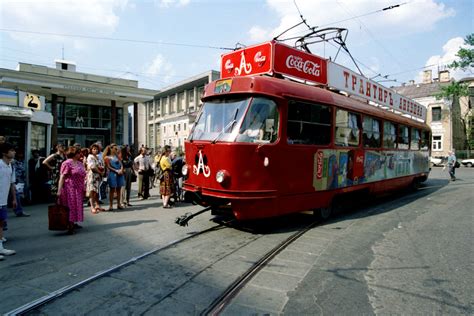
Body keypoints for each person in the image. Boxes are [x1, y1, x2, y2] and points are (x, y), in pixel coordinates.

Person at [57, 146, 87, 234]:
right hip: (69, 188)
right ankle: (70, 225)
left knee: (76, 206)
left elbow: (83, 174)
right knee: (70, 206)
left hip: (79, 188)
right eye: (78, 153)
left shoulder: (79, 163)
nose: (80, 154)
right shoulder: (66, 163)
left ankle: (73, 222)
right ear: (74, 154)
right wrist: (59, 190)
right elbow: (62, 177)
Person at [0, 142, 17, 259]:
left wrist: (14, 198)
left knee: (1, 223)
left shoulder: (10, 165)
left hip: (3, 200)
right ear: (4, 153)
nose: (14, 152)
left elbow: (12, 184)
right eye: (11, 150)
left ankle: (0, 247)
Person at [104, 144, 125, 211]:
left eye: (116, 149)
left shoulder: (117, 156)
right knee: (112, 190)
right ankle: (111, 205)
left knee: (119, 189)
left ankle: (119, 204)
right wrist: (116, 170)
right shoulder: (107, 157)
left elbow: (121, 164)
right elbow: (108, 166)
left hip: (120, 173)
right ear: (111, 149)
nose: (116, 150)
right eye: (115, 149)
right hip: (112, 174)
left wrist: (121, 169)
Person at [86, 144, 104, 214]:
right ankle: (92, 207)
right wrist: (100, 172)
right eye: (93, 149)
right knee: (92, 191)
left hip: (98, 176)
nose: (95, 150)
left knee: (96, 191)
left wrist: (102, 171)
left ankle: (97, 205)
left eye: (96, 149)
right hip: (92, 175)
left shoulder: (97, 156)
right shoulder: (90, 157)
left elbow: (101, 165)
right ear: (91, 150)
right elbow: (92, 167)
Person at [11, 151, 30, 217]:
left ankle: (19, 211)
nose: (15, 152)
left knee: (16, 195)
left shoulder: (14, 162)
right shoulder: (12, 162)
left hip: (13, 180)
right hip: (10, 180)